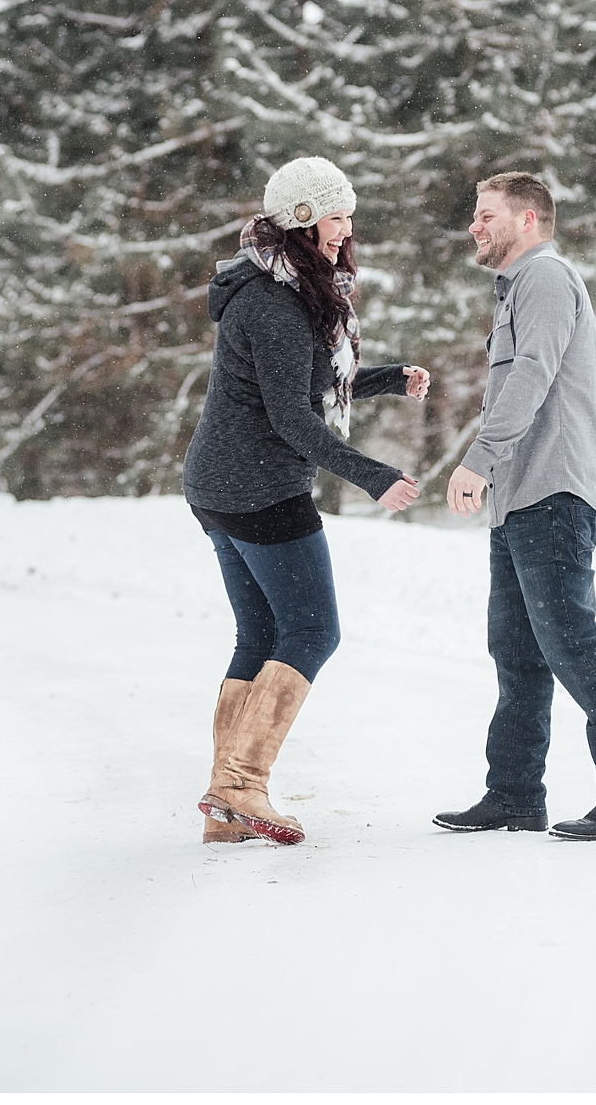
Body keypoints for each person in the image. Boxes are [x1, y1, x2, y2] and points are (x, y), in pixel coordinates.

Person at [183, 156, 429, 847]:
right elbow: (293, 417)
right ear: (299, 219)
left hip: (222, 483)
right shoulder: (275, 303)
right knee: (314, 630)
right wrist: (374, 475)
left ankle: (227, 805)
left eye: (350, 215)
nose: (346, 231)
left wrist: (386, 379)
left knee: (260, 636)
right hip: (258, 485)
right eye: (335, 216)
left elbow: (307, 383)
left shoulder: (274, 285)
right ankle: (241, 781)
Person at [434, 171, 596, 841]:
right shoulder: (516, 288)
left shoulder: (545, 279)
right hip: (520, 499)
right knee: (516, 650)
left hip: (554, 493)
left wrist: (478, 459)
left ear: (528, 219)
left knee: (570, 641)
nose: (474, 225)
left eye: (486, 214)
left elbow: (532, 374)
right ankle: (512, 795)